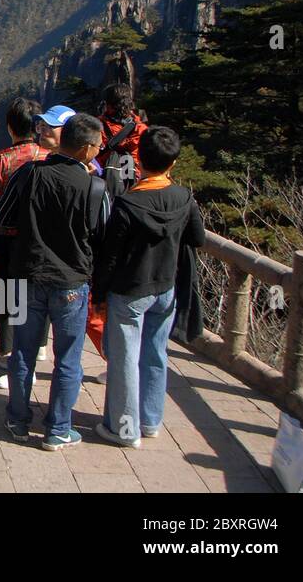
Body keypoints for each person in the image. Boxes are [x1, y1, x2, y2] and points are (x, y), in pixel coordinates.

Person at [0, 113, 110, 450]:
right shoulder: (95, 186)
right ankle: (59, 428)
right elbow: (103, 238)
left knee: (22, 352)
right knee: (68, 358)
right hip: (72, 282)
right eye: (99, 146)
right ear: (88, 149)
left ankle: (17, 419)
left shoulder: (29, 173)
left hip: (26, 276)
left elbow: (3, 216)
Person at [93, 126, 204, 448]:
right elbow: (197, 238)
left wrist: (99, 295)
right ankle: (151, 420)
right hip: (165, 288)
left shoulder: (128, 204)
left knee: (125, 358)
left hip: (129, 290)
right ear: (173, 163)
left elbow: (109, 257)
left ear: (138, 160)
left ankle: (124, 428)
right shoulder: (183, 197)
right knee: (156, 353)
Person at [0, 97, 49, 386]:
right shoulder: (49, 158)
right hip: (41, 240)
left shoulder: (3, 159)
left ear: (10, 127)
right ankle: (41, 344)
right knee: (37, 292)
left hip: (8, 238)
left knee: (8, 292)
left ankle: (6, 348)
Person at [99, 83, 148, 182]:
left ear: (108, 104)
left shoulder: (97, 126)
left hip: (106, 179)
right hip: (135, 179)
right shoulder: (141, 129)